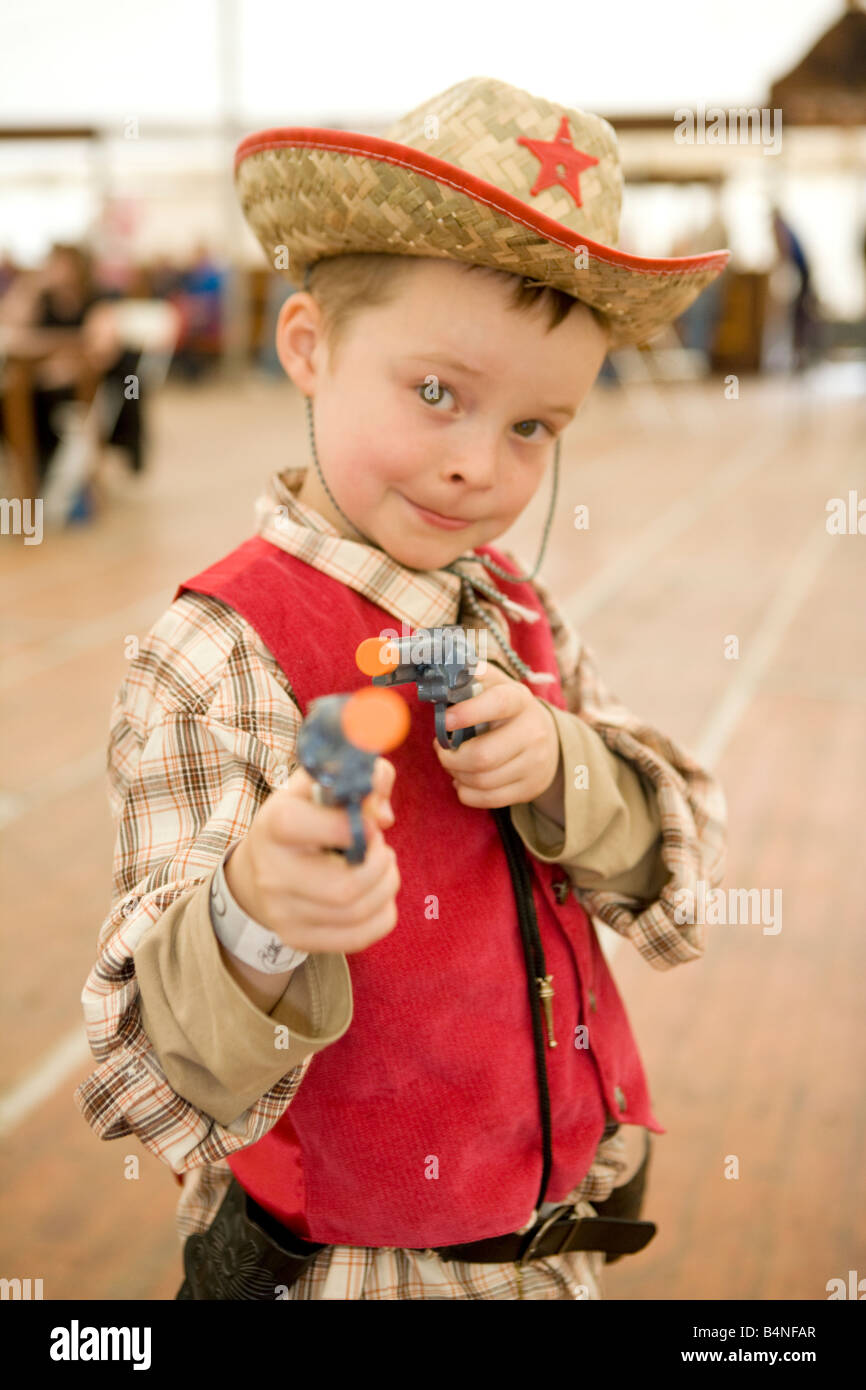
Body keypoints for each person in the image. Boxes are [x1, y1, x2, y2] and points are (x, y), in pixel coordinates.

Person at [74, 76, 729, 1301]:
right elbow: (159, 1066)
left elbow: (672, 867)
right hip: (343, 1271)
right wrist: (256, 911)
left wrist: (563, 765)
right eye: (436, 392)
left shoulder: (517, 609)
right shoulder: (217, 649)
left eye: (533, 427)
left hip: (546, 1249)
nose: (478, 465)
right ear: (309, 347)